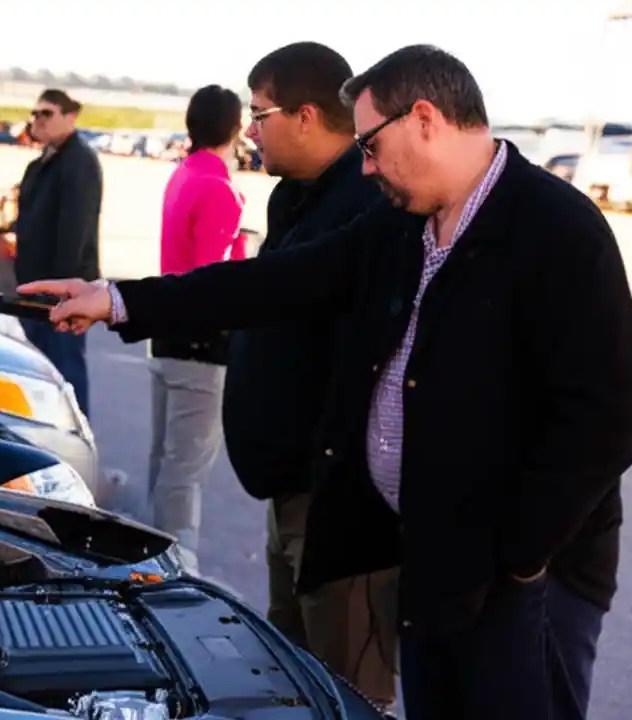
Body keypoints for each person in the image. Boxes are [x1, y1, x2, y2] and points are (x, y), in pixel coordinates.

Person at [21, 45, 632, 720]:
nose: (366, 163)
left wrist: (519, 557)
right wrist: (120, 300)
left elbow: (604, 418)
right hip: (433, 558)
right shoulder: (403, 224)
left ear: (426, 119)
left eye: (372, 143)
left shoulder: (557, 230)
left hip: (526, 578)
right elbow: (279, 281)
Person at [226, 42, 398, 708]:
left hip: (336, 503)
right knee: (289, 673)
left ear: (304, 115)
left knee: (347, 688)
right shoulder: (295, 200)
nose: (249, 128)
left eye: (258, 111)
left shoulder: (366, 207)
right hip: (288, 491)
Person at [145, 84, 248, 575]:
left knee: (163, 460)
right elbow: (213, 282)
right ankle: (178, 567)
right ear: (235, 127)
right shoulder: (220, 189)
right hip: (200, 347)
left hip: (166, 336)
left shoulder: (183, 174)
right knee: (185, 469)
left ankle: (153, 553)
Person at [13, 88, 102, 417]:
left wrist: (63, 295)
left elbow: (74, 232)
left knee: (67, 382)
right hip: (36, 290)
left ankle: (77, 456)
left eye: (47, 113)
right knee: (40, 382)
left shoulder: (78, 162)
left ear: (70, 117)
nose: (38, 120)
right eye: (35, 114)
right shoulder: (45, 161)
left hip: (60, 295)